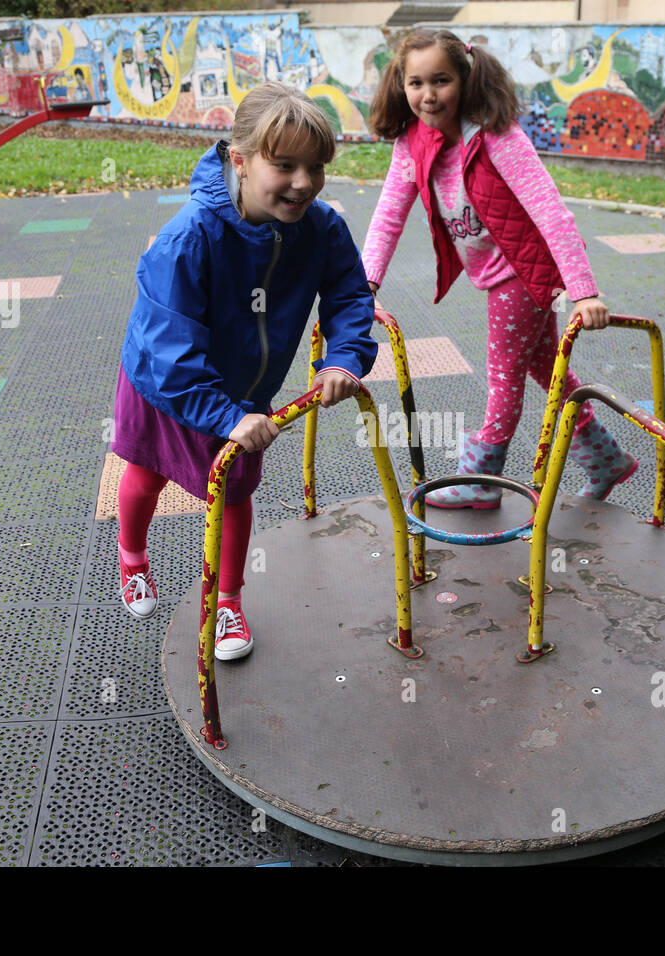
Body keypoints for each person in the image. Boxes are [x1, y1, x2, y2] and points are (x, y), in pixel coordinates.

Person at [112, 81, 378, 660]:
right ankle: (132, 555)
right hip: (165, 385)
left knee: (231, 492)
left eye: (315, 167)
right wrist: (226, 415)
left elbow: (350, 296)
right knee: (147, 472)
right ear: (240, 159)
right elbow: (170, 349)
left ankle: (227, 602)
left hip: (243, 392)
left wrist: (344, 356)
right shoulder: (191, 237)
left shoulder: (321, 227)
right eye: (284, 166)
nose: (303, 183)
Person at [362, 29, 636, 508]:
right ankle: (604, 455)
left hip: (525, 274)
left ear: (465, 79)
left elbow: (550, 209)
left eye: (441, 80)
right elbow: (388, 214)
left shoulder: (496, 136)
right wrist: (366, 284)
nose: (428, 95)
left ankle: (483, 477)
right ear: (400, 86)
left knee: (503, 374)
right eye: (416, 83)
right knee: (547, 370)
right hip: (496, 273)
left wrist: (585, 290)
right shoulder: (413, 143)